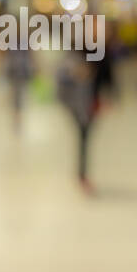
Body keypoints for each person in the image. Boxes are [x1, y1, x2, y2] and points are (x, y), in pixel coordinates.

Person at [56, 48, 99, 194]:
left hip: (89, 104)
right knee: (83, 138)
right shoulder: (71, 58)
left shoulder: (96, 53)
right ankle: (82, 174)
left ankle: (82, 174)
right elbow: (60, 84)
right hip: (78, 106)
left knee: (85, 138)